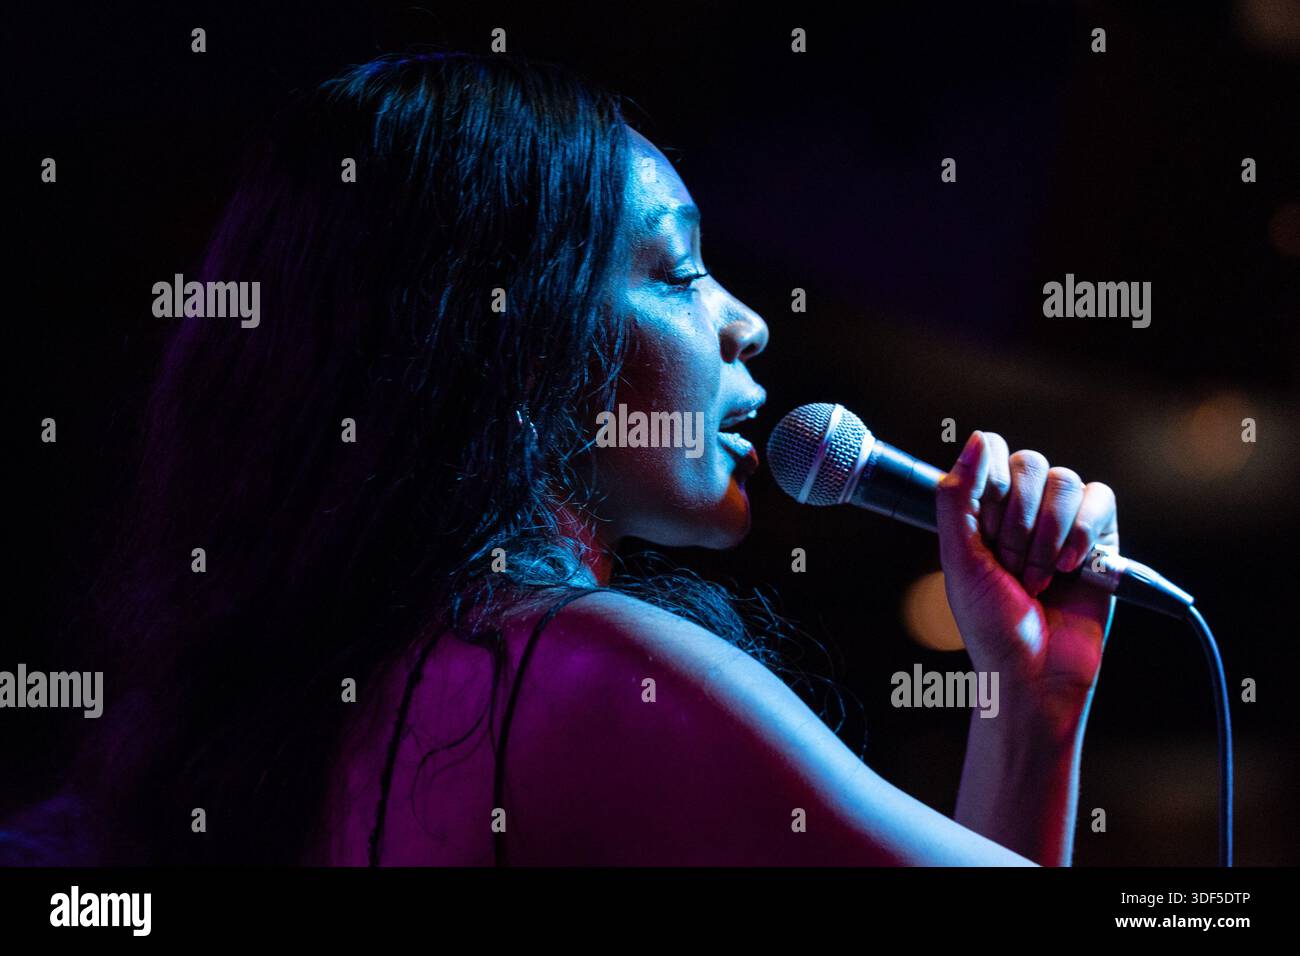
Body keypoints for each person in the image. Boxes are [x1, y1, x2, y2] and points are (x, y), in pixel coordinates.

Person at [6, 51, 1118, 867]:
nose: (747, 323)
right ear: (514, 335)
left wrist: (1030, 701)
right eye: (679, 273)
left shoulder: (337, 708)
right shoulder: (583, 670)